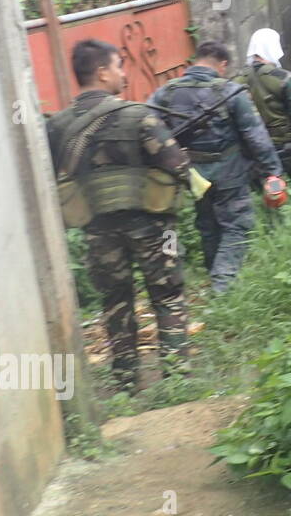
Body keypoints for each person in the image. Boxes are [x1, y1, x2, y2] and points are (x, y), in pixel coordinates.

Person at [48, 40, 193, 390]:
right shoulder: (138, 115)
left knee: (115, 301)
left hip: (98, 231)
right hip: (152, 226)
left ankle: (126, 380)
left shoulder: (57, 126)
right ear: (101, 72)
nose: (123, 74)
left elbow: (53, 176)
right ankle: (177, 378)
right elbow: (177, 166)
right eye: (118, 66)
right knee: (168, 295)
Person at [151, 41, 283, 293]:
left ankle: (216, 274)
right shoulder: (231, 92)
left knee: (208, 225)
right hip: (230, 173)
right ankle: (222, 287)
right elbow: (256, 137)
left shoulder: (165, 93)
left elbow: (152, 134)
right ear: (222, 65)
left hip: (191, 175)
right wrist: (272, 172)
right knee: (238, 225)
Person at [232, 28, 291, 186]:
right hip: (289, 153)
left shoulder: (236, 82)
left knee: (274, 195)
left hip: (257, 154)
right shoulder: (283, 78)